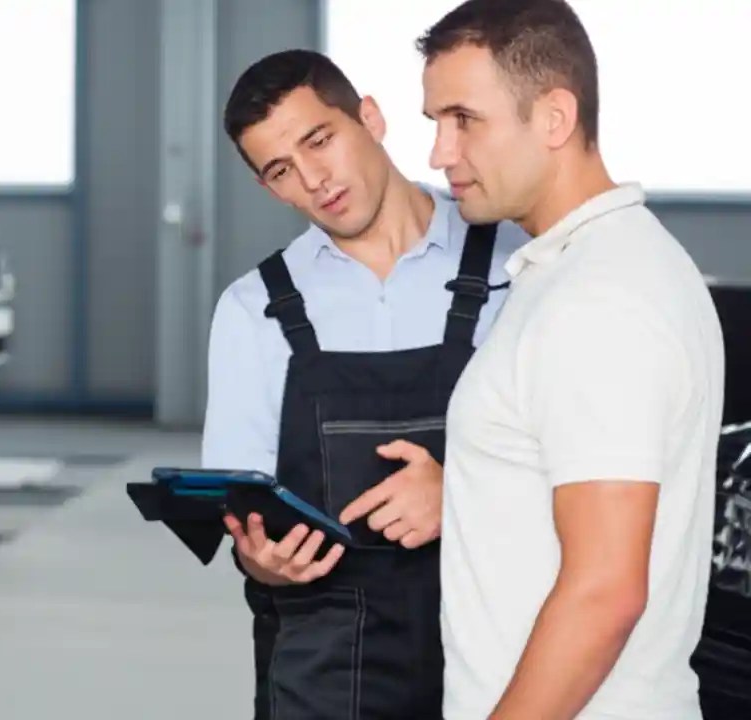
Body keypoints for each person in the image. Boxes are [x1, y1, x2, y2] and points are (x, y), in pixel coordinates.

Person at [417, 1, 726, 718]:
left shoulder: (601, 298)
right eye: (435, 121)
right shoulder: (574, 269)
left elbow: (606, 590)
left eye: (464, 119)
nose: (439, 152)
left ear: (554, 118)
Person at [201, 49, 527, 719]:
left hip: (495, 652)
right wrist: (261, 559)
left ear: (369, 118)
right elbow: (242, 510)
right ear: (269, 188)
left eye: (320, 140)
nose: (316, 180)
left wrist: (459, 493)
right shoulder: (252, 311)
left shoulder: (516, 268)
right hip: (324, 670)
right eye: (282, 170)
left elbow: (583, 472)